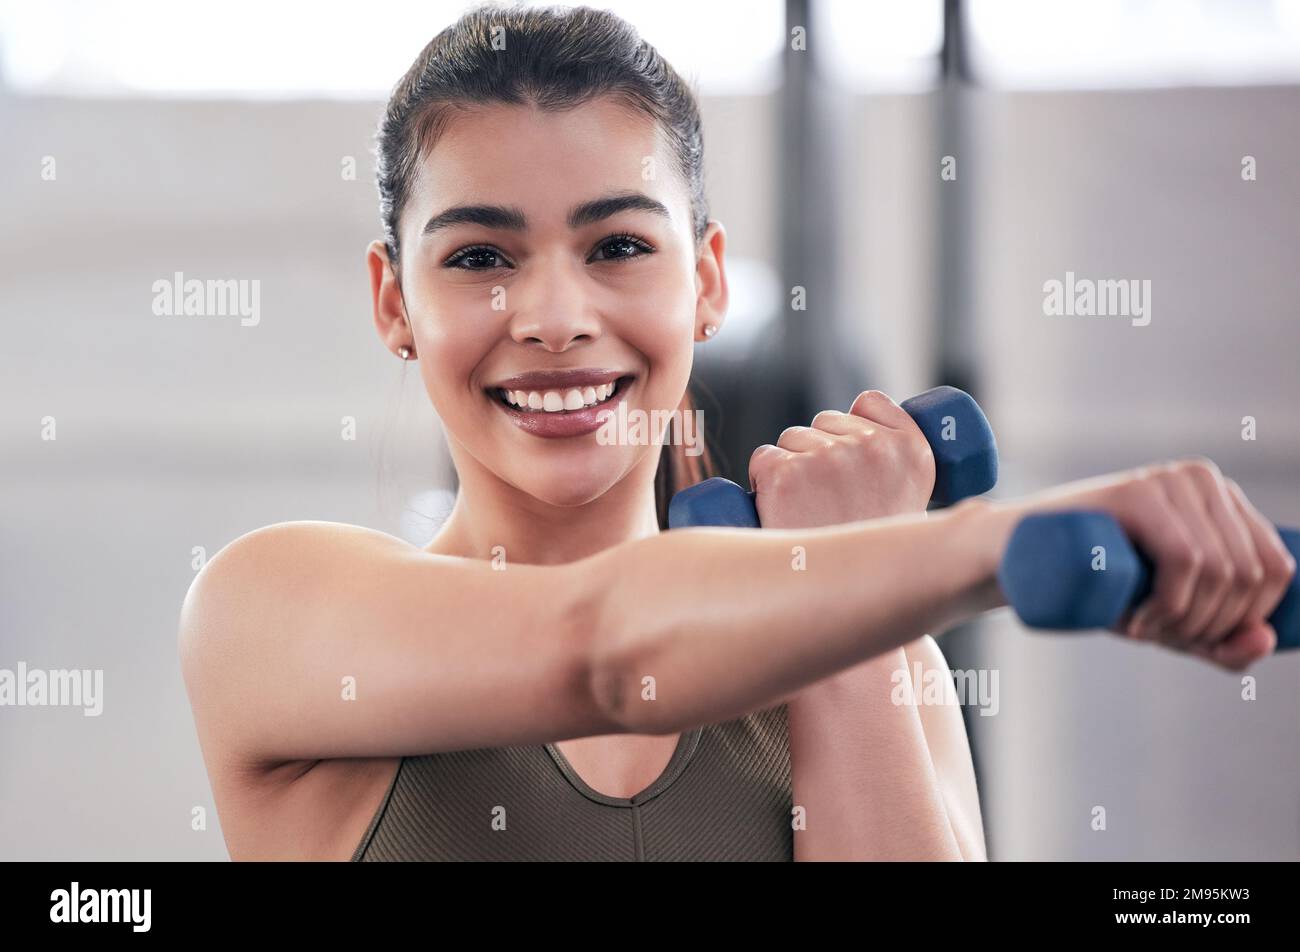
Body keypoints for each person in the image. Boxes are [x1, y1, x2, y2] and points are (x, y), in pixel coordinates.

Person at [177, 3, 1295, 862]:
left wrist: (847, 609)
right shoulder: (270, 609)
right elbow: (602, 649)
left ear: (705, 281)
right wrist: (1017, 539)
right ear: (392, 303)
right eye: (480, 256)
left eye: (618, 245)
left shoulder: (871, 629)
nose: (558, 319)